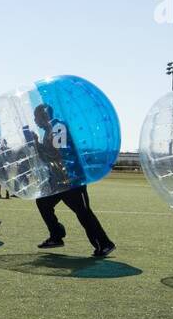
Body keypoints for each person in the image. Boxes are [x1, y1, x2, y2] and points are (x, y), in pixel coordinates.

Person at [30, 103, 115, 257]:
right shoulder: (49, 130)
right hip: (58, 181)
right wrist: (35, 144)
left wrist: (36, 144)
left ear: (44, 116)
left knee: (83, 213)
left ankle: (104, 243)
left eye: (36, 116)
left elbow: (58, 154)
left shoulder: (58, 127)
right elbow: (48, 157)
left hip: (72, 180)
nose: (34, 120)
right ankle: (56, 236)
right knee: (43, 202)